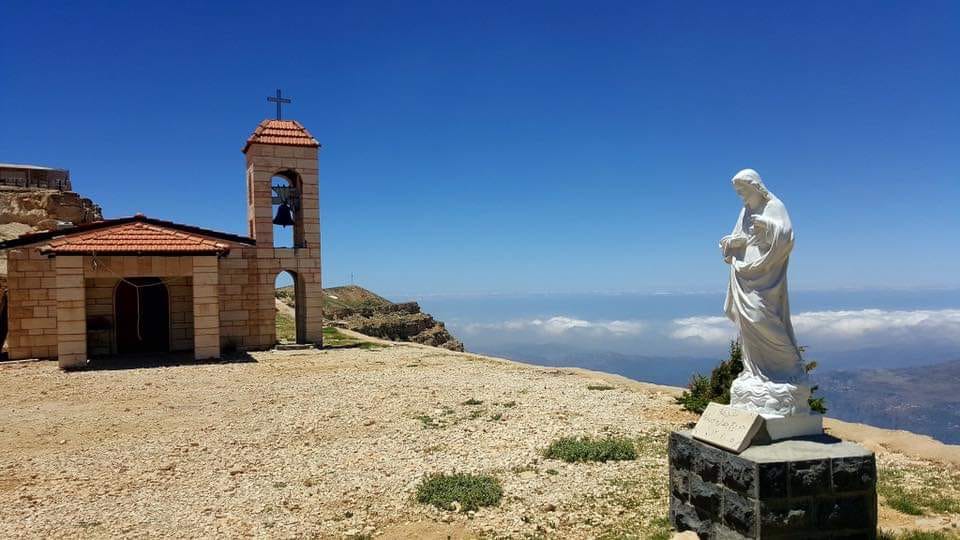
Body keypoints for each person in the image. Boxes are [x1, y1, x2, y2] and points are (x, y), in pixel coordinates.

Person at [720, 169, 810, 416]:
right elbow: (742, 237)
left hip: (765, 275)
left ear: (755, 187)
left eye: (743, 190)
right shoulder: (745, 211)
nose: (741, 195)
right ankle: (755, 372)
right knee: (746, 323)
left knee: (761, 316)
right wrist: (733, 242)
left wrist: (768, 226)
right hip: (743, 273)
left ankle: (790, 367)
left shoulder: (774, 206)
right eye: (738, 192)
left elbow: (787, 237)